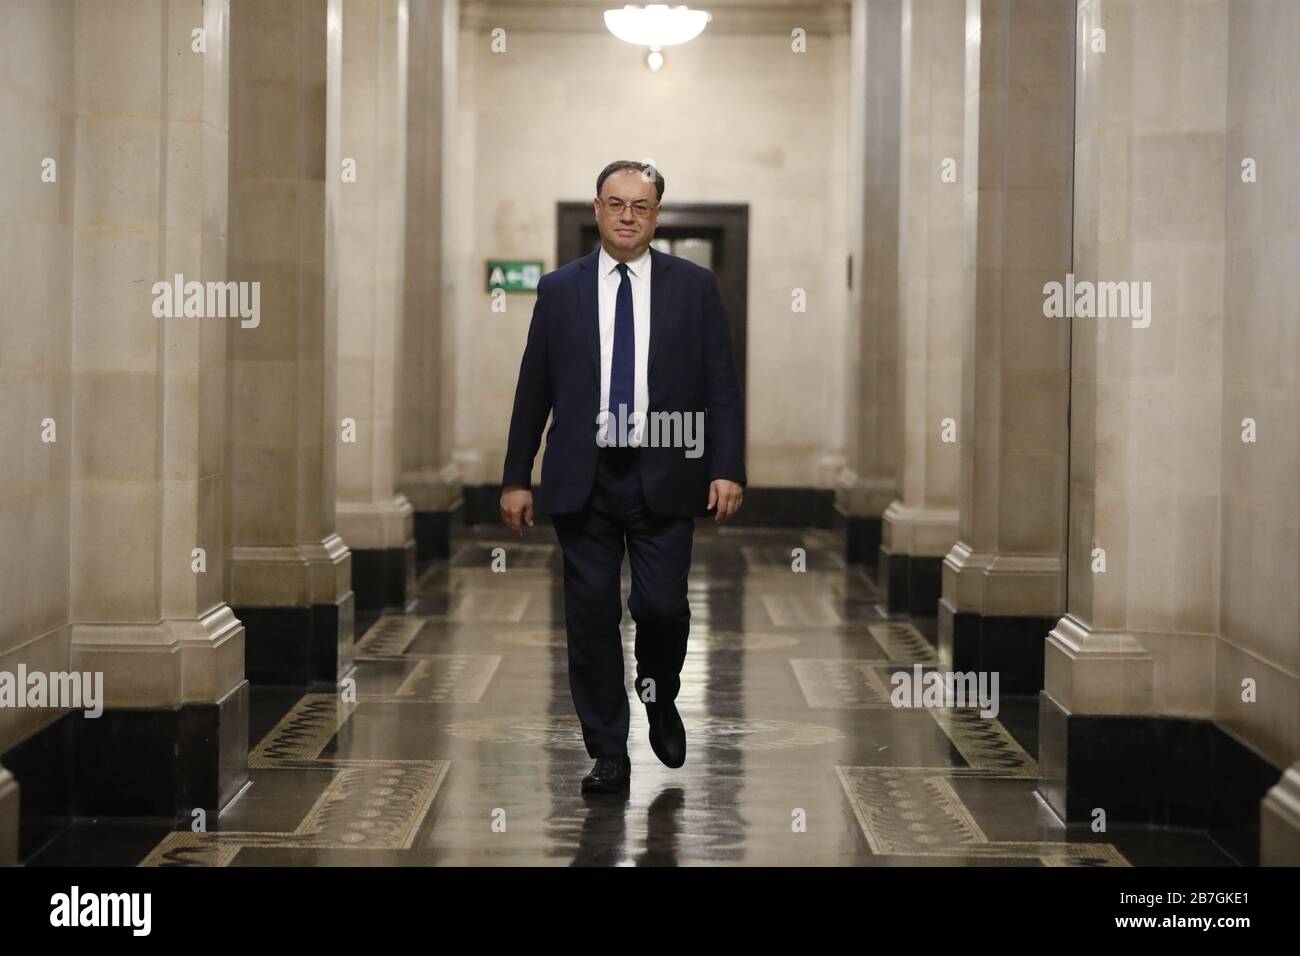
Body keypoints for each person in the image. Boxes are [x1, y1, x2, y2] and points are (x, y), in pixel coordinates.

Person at [500, 160, 747, 793]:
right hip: (583, 479)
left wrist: (726, 467)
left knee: (661, 607)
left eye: (640, 206)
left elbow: (722, 384)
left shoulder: (693, 287)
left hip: (664, 473)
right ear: (597, 208)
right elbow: (534, 389)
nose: (627, 216)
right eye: (616, 204)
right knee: (589, 621)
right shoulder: (560, 290)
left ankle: (659, 696)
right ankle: (608, 751)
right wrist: (516, 477)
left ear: (656, 215)